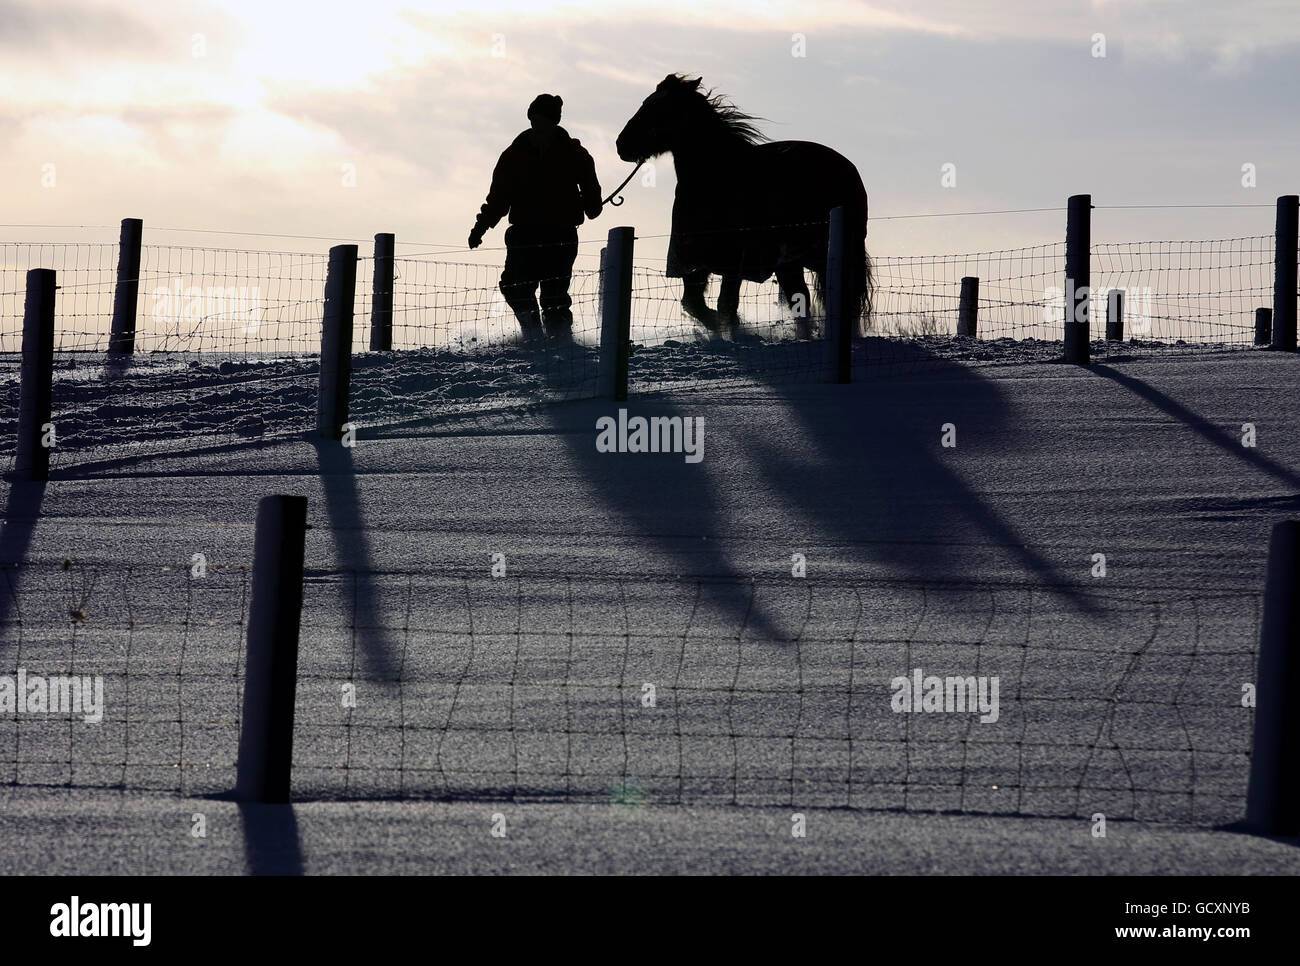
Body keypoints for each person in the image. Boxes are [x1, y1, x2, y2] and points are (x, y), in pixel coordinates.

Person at [468, 94, 603, 341]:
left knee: (554, 296)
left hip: (560, 234)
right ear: (530, 118)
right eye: (535, 119)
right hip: (524, 234)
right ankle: (532, 334)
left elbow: (593, 196)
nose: (538, 125)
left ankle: (561, 343)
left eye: (543, 120)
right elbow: (498, 198)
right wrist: (480, 228)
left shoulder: (575, 153)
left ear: (554, 121)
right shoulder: (513, 155)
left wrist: (590, 206)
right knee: (514, 287)